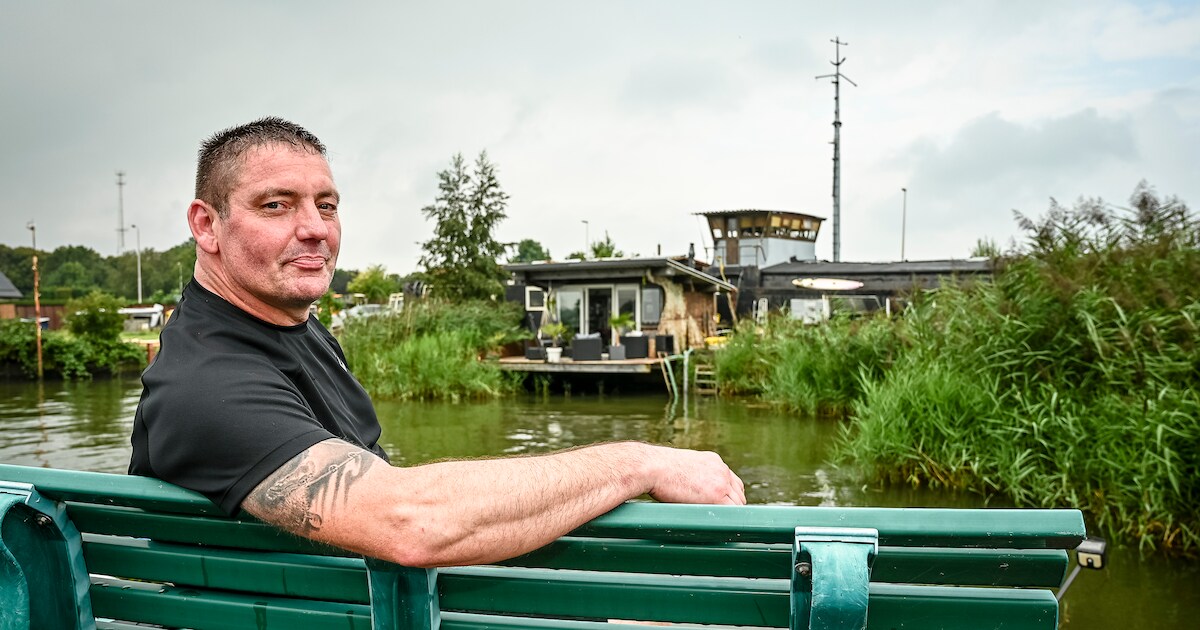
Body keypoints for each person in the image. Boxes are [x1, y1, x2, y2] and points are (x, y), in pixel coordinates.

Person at [130, 117, 745, 569]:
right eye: (276, 206)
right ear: (206, 224)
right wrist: (642, 462)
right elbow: (409, 522)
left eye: (326, 205)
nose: (315, 229)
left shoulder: (292, 329)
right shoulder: (205, 385)